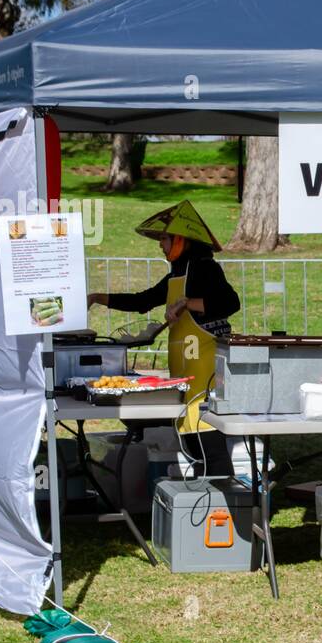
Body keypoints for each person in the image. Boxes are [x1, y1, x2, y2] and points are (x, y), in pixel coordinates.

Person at [87, 200, 240, 475]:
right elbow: (143, 300)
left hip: (205, 381)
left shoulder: (205, 268)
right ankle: (205, 506)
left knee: (210, 449)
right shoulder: (176, 274)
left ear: (182, 239)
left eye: (165, 238)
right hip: (185, 380)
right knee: (196, 451)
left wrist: (186, 304)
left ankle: (224, 509)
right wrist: (99, 298)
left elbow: (229, 302)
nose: (161, 245)